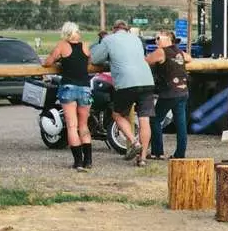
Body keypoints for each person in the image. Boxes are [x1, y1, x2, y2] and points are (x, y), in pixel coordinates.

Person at [88, 20, 156, 166]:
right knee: (145, 120)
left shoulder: (109, 40)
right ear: (127, 29)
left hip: (126, 82)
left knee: (117, 114)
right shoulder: (136, 39)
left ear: (114, 29)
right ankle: (142, 158)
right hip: (146, 80)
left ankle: (133, 142)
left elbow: (95, 58)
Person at [41, 21, 93, 171]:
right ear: (77, 32)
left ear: (65, 33)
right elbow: (90, 60)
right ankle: (88, 161)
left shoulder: (63, 45)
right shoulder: (85, 45)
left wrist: (59, 60)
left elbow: (47, 62)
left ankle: (78, 162)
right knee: (84, 125)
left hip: (69, 87)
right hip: (85, 88)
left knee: (72, 126)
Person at [146, 30, 189, 160]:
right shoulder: (179, 52)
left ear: (167, 39)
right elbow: (189, 58)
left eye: (158, 38)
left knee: (154, 120)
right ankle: (180, 154)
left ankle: (157, 152)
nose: (156, 41)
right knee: (181, 124)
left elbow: (146, 60)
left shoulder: (161, 52)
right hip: (183, 91)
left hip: (169, 93)